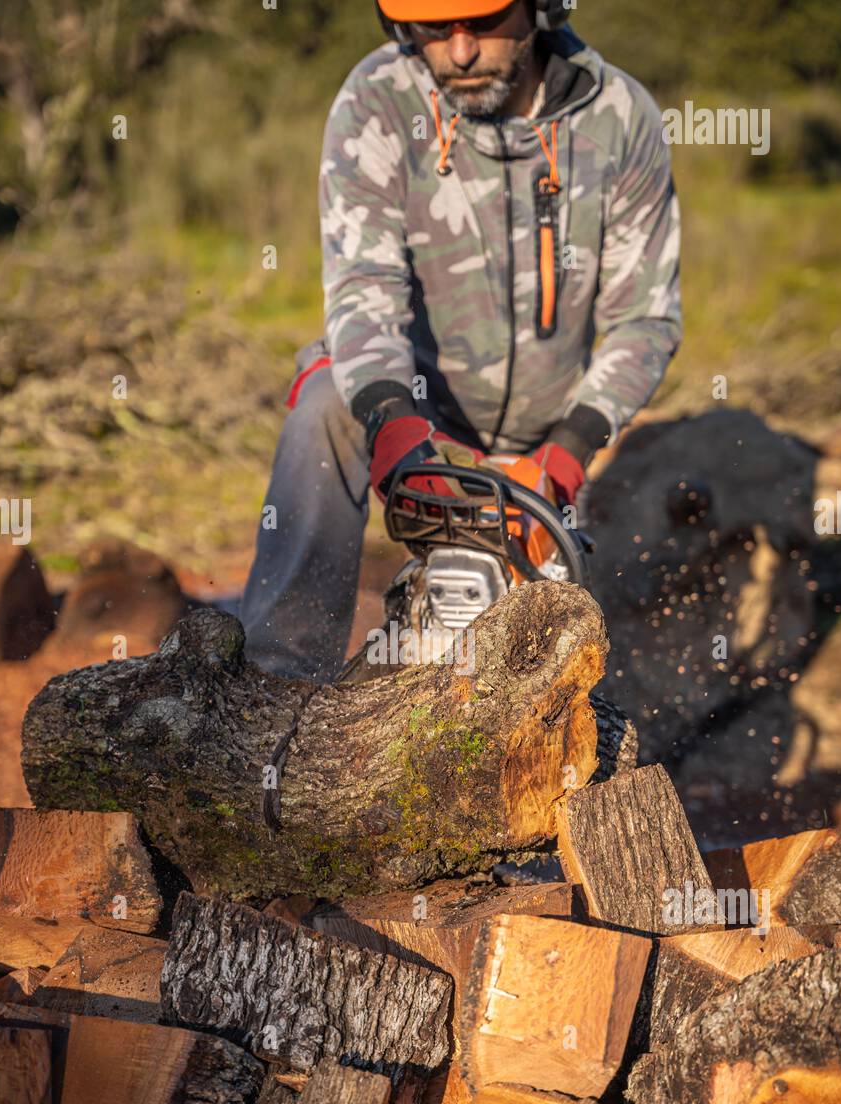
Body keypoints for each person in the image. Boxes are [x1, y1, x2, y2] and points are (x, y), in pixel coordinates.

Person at [240, 0, 682, 680]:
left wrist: (569, 450)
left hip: (550, 435)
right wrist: (391, 421)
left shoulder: (620, 117)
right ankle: (275, 687)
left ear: (542, 7)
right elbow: (363, 289)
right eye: (434, 30)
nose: (461, 51)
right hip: (411, 408)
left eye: (482, 23)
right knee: (327, 398)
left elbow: (645, 318)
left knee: (543, 683)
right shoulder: (378, 100)